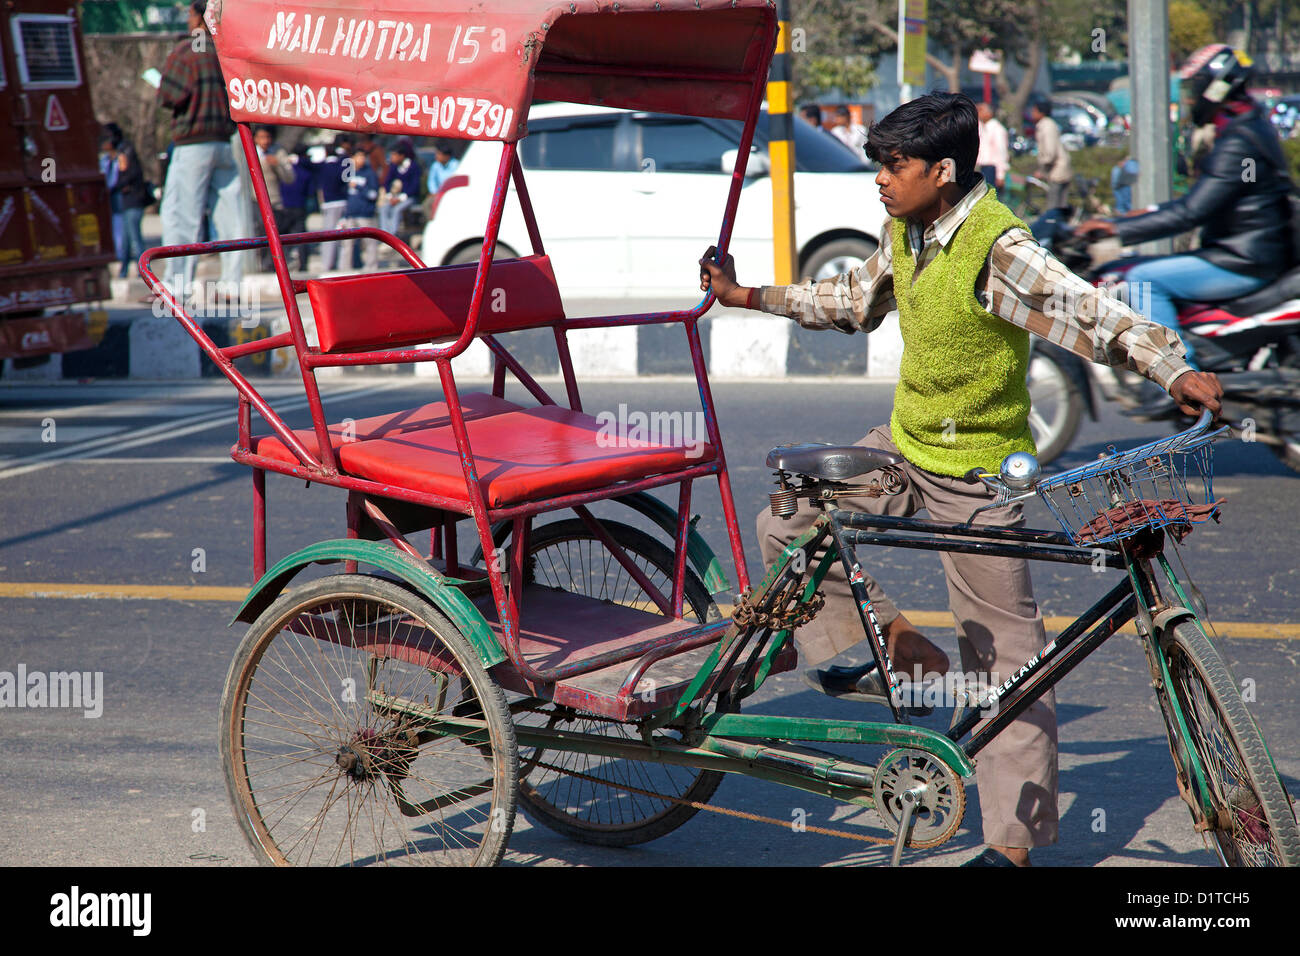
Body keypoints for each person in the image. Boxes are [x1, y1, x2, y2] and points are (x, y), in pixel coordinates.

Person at [698, 91, 1223, 867]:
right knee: (788, 516)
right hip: (904, 446)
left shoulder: (996, 247)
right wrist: (747, 297)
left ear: (943, 171)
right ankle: (901, 650)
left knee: (1011, 669)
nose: (881, 179)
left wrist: (1170, 366)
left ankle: (1009, 848)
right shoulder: (904, 232)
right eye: (879, 165)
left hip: (979, 476)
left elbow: (1088, 312)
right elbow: (849, 300)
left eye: (895, 166)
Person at [1078, 45, 1292, 376]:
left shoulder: (1237, 140)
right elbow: (1195, 203)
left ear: (1218, 86)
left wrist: (1118, 231)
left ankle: (1180, 376)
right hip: (1251, 251)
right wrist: (1127, 219)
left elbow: (1191, 212)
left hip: (1243, 259)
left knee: (1142, 279)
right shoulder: (1250, 125)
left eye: (1196, 88)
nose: (1192, 99)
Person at [156, 0, 243, 304]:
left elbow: (169, 95)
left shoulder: (186, 51)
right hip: (224, 142)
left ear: (196, 17)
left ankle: (176, 287)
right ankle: (233, 285)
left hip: (192, 144)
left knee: (182, 216)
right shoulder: (226, 51)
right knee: (231, 217)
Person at [100, 123, 149, 279]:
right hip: (127, 203)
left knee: (135, 239)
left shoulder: (124, 152)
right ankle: (124, 271)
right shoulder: (119, 153)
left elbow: (127, 175)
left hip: (133, 201)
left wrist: (113, 187)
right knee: (127, 241)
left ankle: (144, 272)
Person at [252, 125, 295, 270]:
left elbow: (290, 178)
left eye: (268, 137)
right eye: (261, 137)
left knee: (274, 233)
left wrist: (277, 165)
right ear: (255, 138)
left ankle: (272, 265)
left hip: (273, 200)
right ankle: (262, 265)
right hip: (254, 200)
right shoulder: (249, 152)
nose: (265, 141)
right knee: (261, 234)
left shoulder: (278, 152)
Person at [339, 147, 381, 272]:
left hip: (365, 214)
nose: (361, 159)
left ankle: (372, 268)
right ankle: (345, 270)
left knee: (370, 243)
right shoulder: (348, 173)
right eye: (358, 156)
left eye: (363, 157)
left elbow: (373, 195)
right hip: (350, 214)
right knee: (347, 244)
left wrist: (359, 187)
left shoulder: (369, 173)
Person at [1028, 94, 1072, 211]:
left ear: (1041, 112)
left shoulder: (1047, 126)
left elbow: (1050, 152)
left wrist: (1042, 169)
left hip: (1057, 170)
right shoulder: (1045, 125)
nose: (1032, 113)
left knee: (1054, 207)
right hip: (1057, 169)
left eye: (1034, 110)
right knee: (1058, 206)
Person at [316, 134, 353, 272]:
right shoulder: (344, 161)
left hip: (329, 204)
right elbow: (348, 178)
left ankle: (327, 265)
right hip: (342, 202)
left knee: (329, 236)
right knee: (342, 235)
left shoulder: (324, 165)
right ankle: (341, 266)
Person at [378, 138, 422, 245]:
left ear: (402, 156)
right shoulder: (393, 167)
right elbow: (387, 182)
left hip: (409, 197)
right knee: (384, 208)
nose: (392, 158)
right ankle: (385, 235)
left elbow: (415, 186)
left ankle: (392, 237)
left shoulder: (413, 167)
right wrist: (390, 196)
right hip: (395, 197)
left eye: (394, 155)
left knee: (397, 210)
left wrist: (400, 198)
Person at [975, 102, 1009, 200]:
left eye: (981, 110)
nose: (978, 112)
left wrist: (1000, 175)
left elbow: (1001, 153)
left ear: (989, 113)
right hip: (984, 168)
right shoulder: (984, 127)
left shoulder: (997, 129)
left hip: (992, 169)